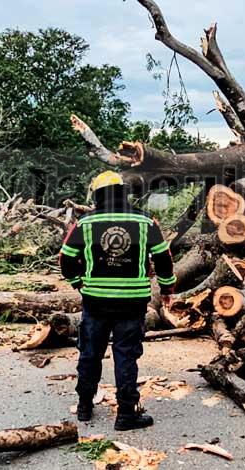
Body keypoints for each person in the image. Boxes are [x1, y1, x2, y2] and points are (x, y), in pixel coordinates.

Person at [59, 171, 175, 431]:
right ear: (123, 192)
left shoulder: (85, 223)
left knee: (90, 353)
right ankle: (126, 414)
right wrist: (167, 288)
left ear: (97, 194)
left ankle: (85, 407)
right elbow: (164, 259)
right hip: (132, 303)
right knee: (126, 355)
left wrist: (78, 283)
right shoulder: (145, 221)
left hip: (95, 301)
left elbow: (65, 259)